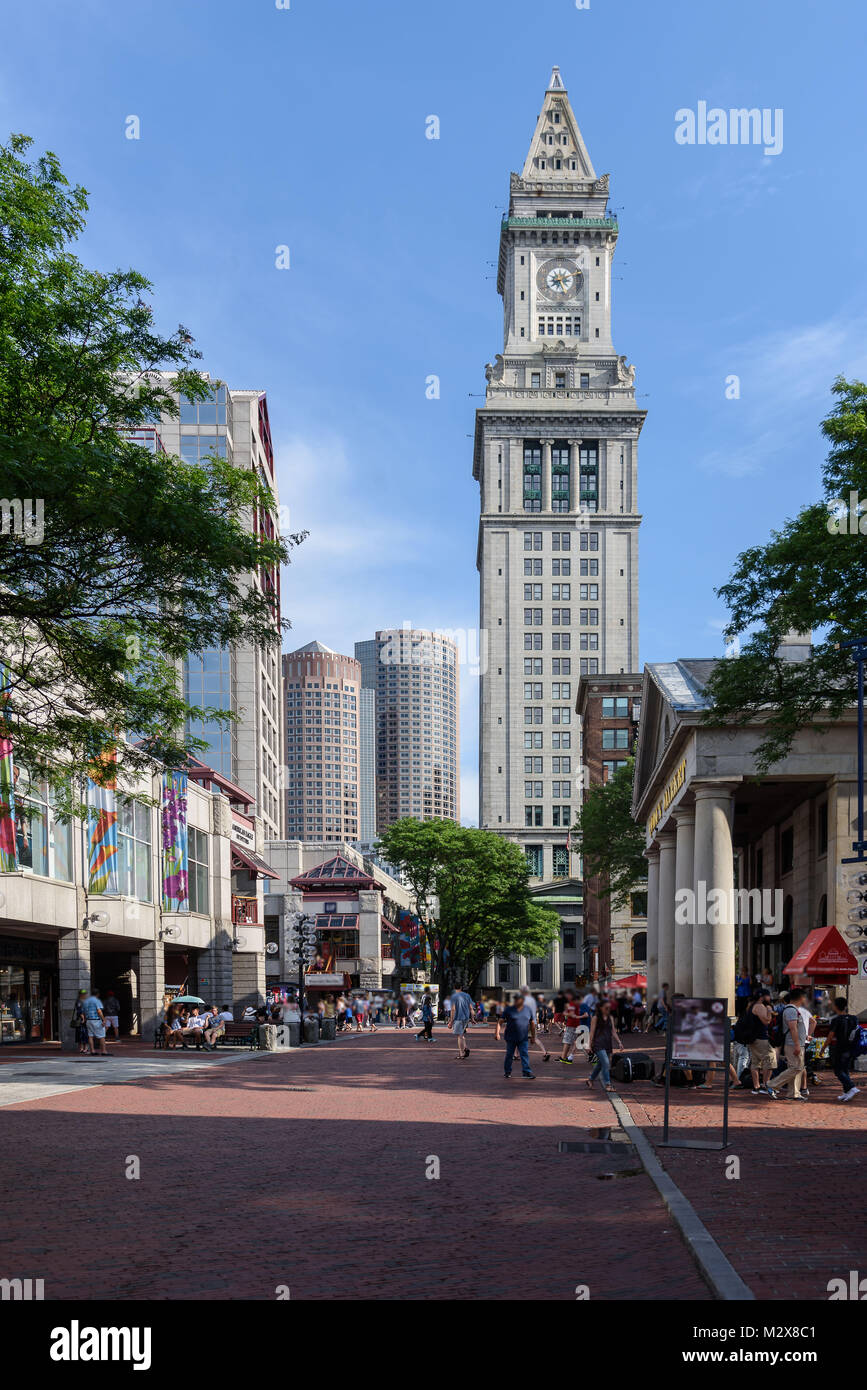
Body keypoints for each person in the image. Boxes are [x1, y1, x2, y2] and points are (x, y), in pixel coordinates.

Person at [767, 988, 808, 1101]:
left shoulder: (793, 1009)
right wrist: (796, 1045)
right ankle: (772, 1084)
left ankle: (793, 1093)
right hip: (793, 1044)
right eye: (804, 997)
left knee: (796, 1068)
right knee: (796, 1067)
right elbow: (793, 1028)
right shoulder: (790, 1010)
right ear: (800, 998)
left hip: (796, 1043)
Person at [741, 990, 777, 1097]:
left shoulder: (751, 1005)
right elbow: (766, 1021)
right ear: (763, 997)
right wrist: (769, 1011)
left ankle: (756, 1087)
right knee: (770, 1060)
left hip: (753, 1038)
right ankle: (766, 1085)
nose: (770, 998)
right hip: (761, 1038)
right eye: (768, 996)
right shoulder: (760, 1006)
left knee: (756, 1062)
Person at [828, 996, 861, 1102]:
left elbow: (830, 1036)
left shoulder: (836, 1020)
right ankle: (846, 1092)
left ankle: (852, 1087)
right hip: (852, 1048)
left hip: (840, 1048)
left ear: (836, 1006)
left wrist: (823, 1049)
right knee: (845, 1070)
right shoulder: (854, 1018)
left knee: (838, 1070)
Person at [586, 999, 621, 1092]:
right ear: (601, 1008)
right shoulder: (595, 1018)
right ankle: (608, 1084)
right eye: (606, 1008)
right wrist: (589, 1045)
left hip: (607, 1043)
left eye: (609, 1008)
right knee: (606, 1063)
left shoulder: (610, 1017)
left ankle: (590, 1079)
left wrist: (619, 1042)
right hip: (598, 1043)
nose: (608, 1010)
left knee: (601, 1064)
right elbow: (592, 1032)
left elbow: (613, 1031)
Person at [502, 993, 536, 1080]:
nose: (517, 1001)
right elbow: (500, 1021)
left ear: (523, 1000)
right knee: (509, 1055)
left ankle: (526, 1072)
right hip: (510, 1037)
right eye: (515, 999)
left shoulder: (528, 1010)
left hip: (523, 1037)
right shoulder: (509, 1009)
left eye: (518, 999)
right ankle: (507, 1072)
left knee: (524, 1054)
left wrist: (533, 1036)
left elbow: (532, 1023)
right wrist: (497, 1033)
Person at [520, 986, 551, 1063]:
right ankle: (544, 1052)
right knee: (535, 1038)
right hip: (533, 1021)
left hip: (525, 1022)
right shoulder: (533, 1001)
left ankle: (517, 1055)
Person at [448, 984, 473, 1059]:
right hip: (466, 1018)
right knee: (461, 1034)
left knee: (459, 1036)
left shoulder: (454, 997)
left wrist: (451, 1021)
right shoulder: (467, 995)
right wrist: (473, 1018)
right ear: (461, 987)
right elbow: (471, 1008)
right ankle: (465, 1048)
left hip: (458, 1018)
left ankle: (462, 1053)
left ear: (454, 988)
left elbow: (453, 1009)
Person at [558, 990, 582, 1065]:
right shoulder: (574, 1004)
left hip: (572, 1024)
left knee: (567, 1041)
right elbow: (571, 1013)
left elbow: (570, 1014)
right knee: (570, 1041)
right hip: (574, 1024)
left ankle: (563, 1057)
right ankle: (564, 1057)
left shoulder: (572, 1004)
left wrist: (566, 1013)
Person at [82, 988, 107, 1057]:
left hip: (88, 1020)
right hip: (96, 1020)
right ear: (98, 994)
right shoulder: (97, 1001)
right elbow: (99, 1011)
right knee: (102, 1036)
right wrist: (103, 1020)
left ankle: (92, 1050)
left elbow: (83, 1011)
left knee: (90, 1036)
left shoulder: (86, 1001)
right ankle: (104, 1051)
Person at [71, 988, 90, 1055]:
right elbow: (80, 1011)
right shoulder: (79, 1001)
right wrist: (83, 1019)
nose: (85, 995)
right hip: (82, 1021)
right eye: (84, 994)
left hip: (82, 1020)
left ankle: (82, 1048)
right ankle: (84, 1049)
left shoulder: (81, 1001)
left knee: (81, 1035)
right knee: (83, 1034)